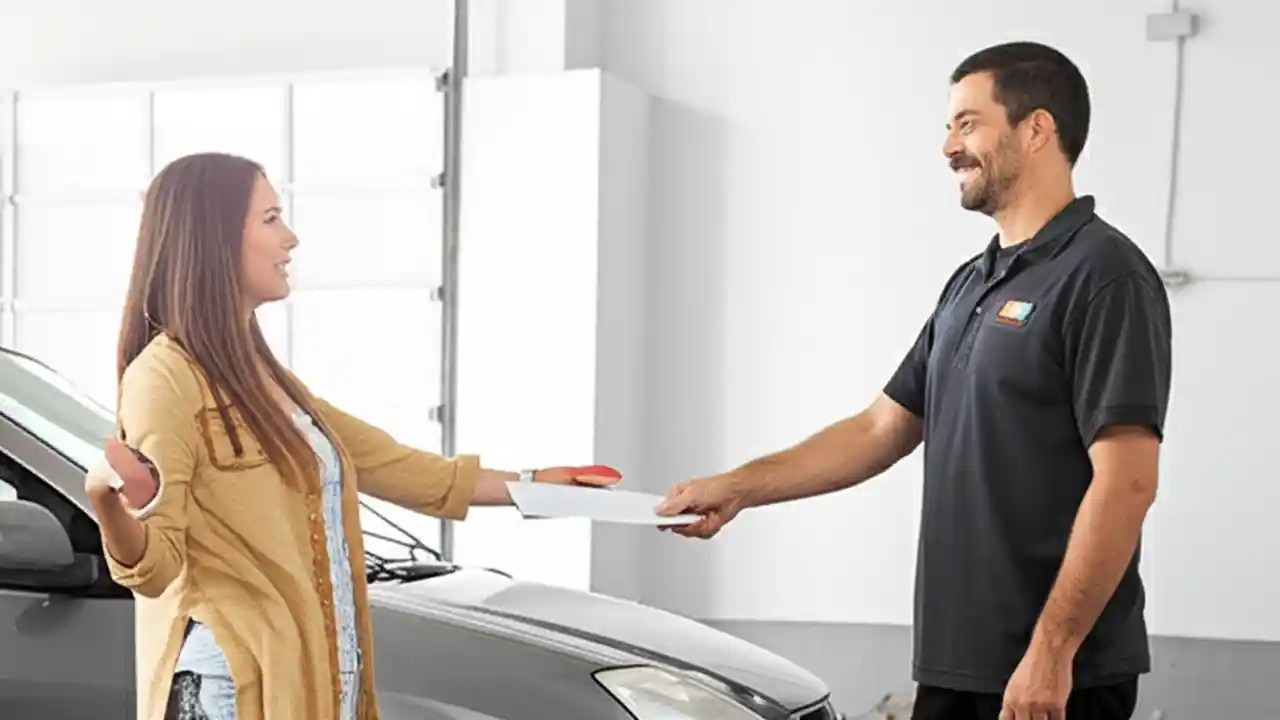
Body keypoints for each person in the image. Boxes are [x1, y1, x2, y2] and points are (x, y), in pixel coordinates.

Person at [656, 41, 1171, 720]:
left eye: (967, 123)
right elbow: (881, 427)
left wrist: (1052, 653)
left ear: (1037, 129)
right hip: (956, 662)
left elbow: (1128, 482)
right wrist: (738, 489)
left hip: (1050, 678)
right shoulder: (971, 284)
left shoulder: (1105, 275)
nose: (948, 147)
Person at [83, 151, 622, 720]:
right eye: (270, 219)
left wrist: (540, 485)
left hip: (316, 676)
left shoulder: (267, 382)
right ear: (212, 237)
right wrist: (111, 505)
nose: (290, 239)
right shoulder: (163, 379)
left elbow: (404, 470)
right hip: (233, 690)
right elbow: (156, 569)